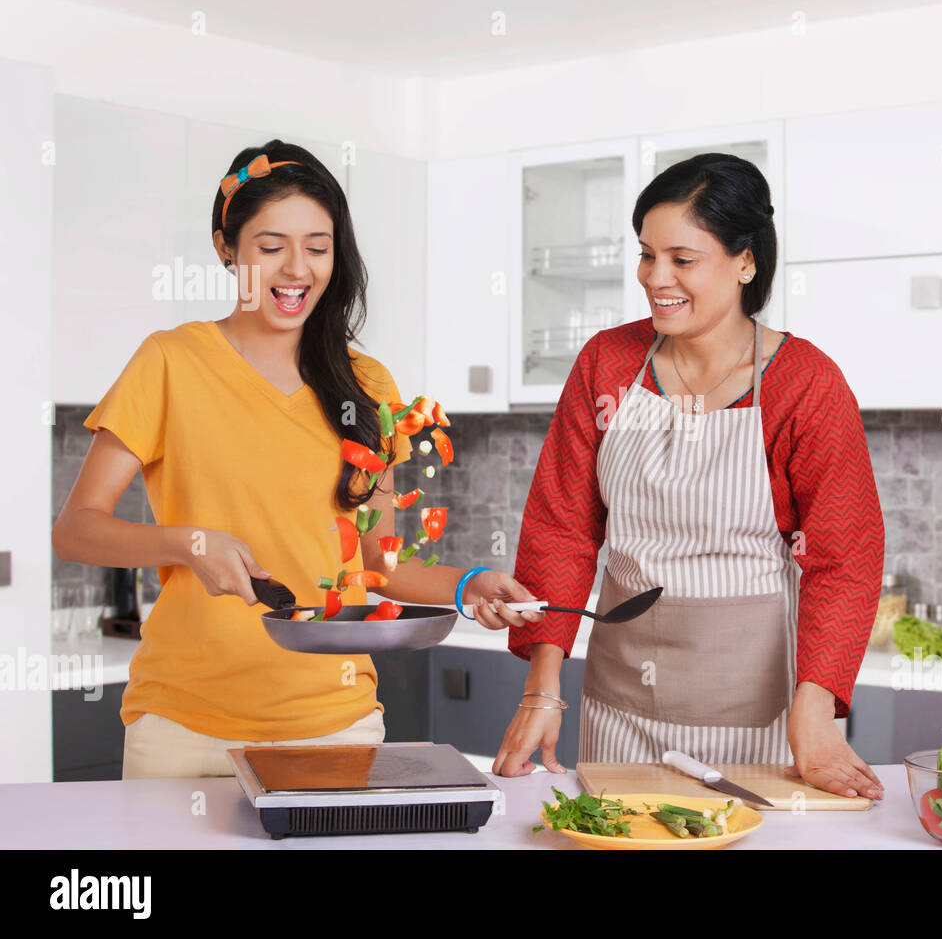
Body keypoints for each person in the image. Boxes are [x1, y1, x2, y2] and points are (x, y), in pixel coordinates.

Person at [52, 140, 535, 780]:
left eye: (317, 246)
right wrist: (189, 544)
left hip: (337, 724)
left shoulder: (367, 384)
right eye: (271, 246)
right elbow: (76, 529)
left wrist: (469, 586)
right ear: (227, 248)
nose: (297, 269)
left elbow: (378, 567)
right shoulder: (170, 362)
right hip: (184, 729)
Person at [493, 153, 886, 799]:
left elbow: (844, 558)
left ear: (745, 261)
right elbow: (561, 529)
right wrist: (542, 689)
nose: (656, 278)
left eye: (682, 258)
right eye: (647, 255)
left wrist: (817, 712)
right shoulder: (606, 363)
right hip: (619, 713)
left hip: (757, 722)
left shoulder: (805, 384)